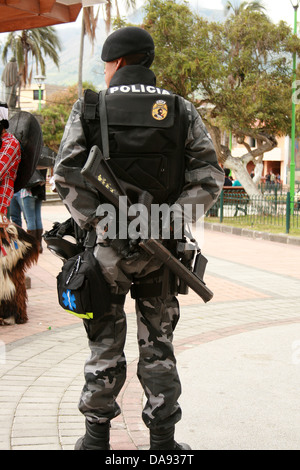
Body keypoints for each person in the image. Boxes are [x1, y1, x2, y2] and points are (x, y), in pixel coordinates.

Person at [54, 26, 224, 451]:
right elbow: (209, 176)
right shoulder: (180, 110)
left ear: (117, 62)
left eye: (106, 63)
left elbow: (65, 175)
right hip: (161, 254)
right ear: (145, 62)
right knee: (158, 348)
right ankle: (163, 443)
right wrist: (167, 222)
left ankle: (95, 441)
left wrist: (102, 223)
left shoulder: (90, 108)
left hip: (105, 255)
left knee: (104, 347)